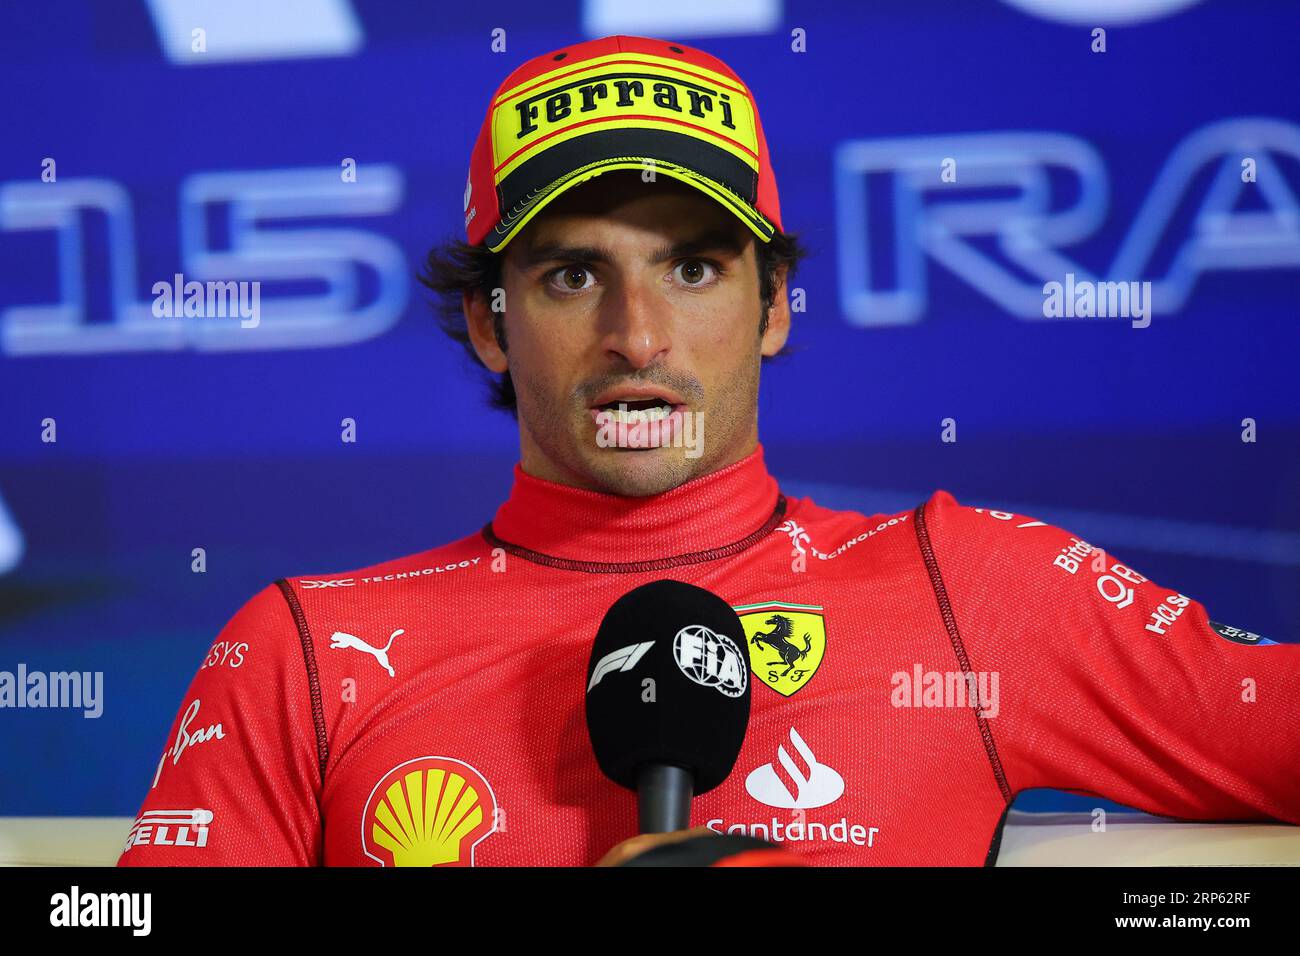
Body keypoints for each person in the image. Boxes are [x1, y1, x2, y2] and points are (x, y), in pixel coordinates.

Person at [118, 34, 1297, 868]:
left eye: (692, 267)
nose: (636, 338)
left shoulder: (971, 590)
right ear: (489, 322)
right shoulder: (300, 652)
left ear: (775, 304)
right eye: (573, 274)